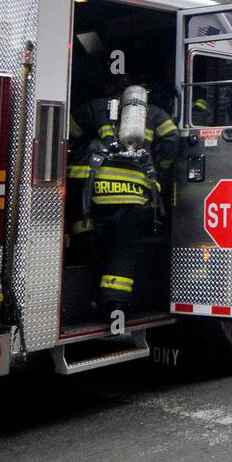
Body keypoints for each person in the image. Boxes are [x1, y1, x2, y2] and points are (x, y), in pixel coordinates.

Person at [68, 76, 180, 320]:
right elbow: (172, 139)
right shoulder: (153, 113)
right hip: (132, 197)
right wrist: (160, 168)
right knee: (123, 251)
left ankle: (84, 297)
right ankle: (115, 305)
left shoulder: (97, 106)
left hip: (96, 195)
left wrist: (84, 146)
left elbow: (69, 130)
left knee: (92, 239)